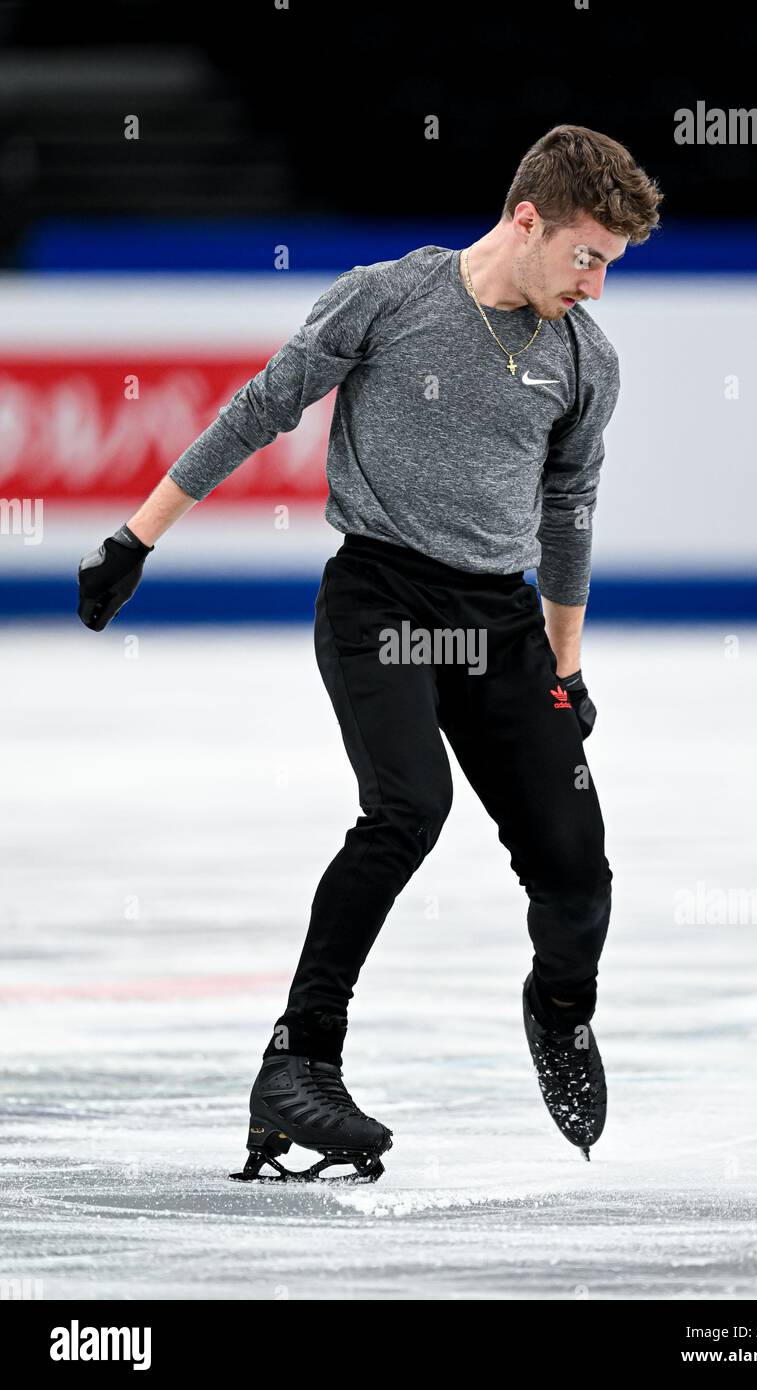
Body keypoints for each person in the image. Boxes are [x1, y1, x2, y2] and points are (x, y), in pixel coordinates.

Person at [77, 124, 662, 1182]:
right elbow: (261, 408)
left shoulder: (586, 361)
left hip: (499, 624)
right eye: (586, 257)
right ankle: (299, 1061)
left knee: (576, 869)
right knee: (407, 809)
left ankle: (560, 1009)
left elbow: (568, 510)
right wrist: (136, 536)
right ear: (524, 220)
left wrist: (565, 670)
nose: (596, 286)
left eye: (609, 266)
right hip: (379, 599)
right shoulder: (388, 297)